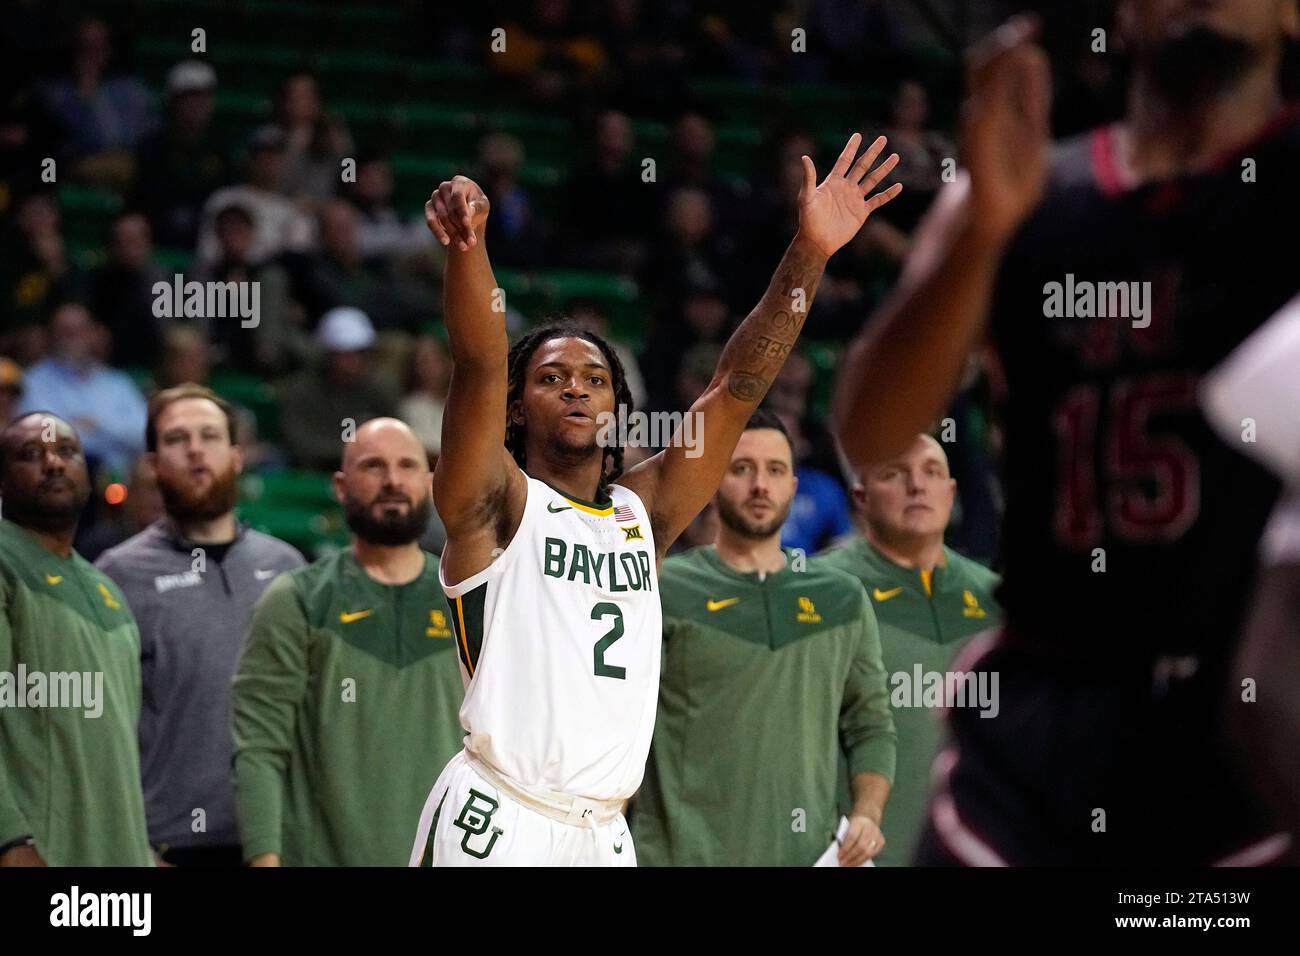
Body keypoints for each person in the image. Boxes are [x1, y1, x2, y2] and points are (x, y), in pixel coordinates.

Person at [832, 5, 1299, 865]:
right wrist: (982, 237)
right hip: (1044, 707)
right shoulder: (1023, 193)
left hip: (1257, 707)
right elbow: (870, 431)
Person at [409, 132, 901, 867]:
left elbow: (737, 388)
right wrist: (468, 246)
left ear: (618, 403)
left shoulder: (646, 512)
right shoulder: (495, 504)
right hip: (500, 811)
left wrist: (811, 253)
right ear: (516, 409)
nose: (576, 385)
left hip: (605, 830)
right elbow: (480, 363)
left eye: (595, 377)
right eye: (550, 377)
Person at [633, 409, 895, 866]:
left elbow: (869, 722)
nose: (760, 485)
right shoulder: (662, 587)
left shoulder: (841, 597)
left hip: (810, 856)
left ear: (793, 487)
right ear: (712, 481)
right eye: (741, 469)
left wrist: (867, 814)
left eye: (775, 471)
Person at [233, 418, 464, 866]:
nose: (393, 480)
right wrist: (263, 859)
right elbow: (258, 748)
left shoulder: (466, 599)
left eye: (406, 466)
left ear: (430, 481)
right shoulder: (296, 598)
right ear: (341, 487)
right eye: (374, 466)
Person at [96, 386, 304, 866]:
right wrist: (136, 846)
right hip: (168, 847)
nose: (194, 449)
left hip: (279, 841)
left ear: (235, 457)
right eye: (176, 439)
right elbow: (101, 729)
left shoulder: (287, 567)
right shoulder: (116, 575)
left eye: (209, 436)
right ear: (152, 463)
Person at [816, 433, 1002, 866]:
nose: (917, 485)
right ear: (860, 496)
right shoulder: (816, 591)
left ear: (951, 493)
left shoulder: (995, 600)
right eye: (894, 474)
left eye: (932, 473)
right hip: (848, 850)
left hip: (971, 845)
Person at [0, 413, 152, 866]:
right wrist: (9, 838)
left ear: (89, 477)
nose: (53, 464)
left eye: (67, 452)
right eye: (31, 455)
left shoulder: (107, 588)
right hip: (39, 851)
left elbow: (117, 745)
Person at [18, 303, 147, 476]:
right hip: (57, 479)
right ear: (51, 336)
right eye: (64, 331)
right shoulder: (33, 382)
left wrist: (99, 424)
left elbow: (143, 435)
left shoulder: (117, 383)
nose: (72, 337)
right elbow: (37, 435)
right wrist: (105, 434)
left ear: (93, 333)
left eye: (79, 329)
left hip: (116, 483)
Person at [279, 307, 400, 471]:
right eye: (344, 354)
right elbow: (298, 440)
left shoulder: (381, 389)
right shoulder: (301, 389)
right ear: (328, 355)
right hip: (309, 467)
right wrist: (353, 448)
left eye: (359, 353)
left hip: (368, 468)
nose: (352, 362)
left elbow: (392, 436)